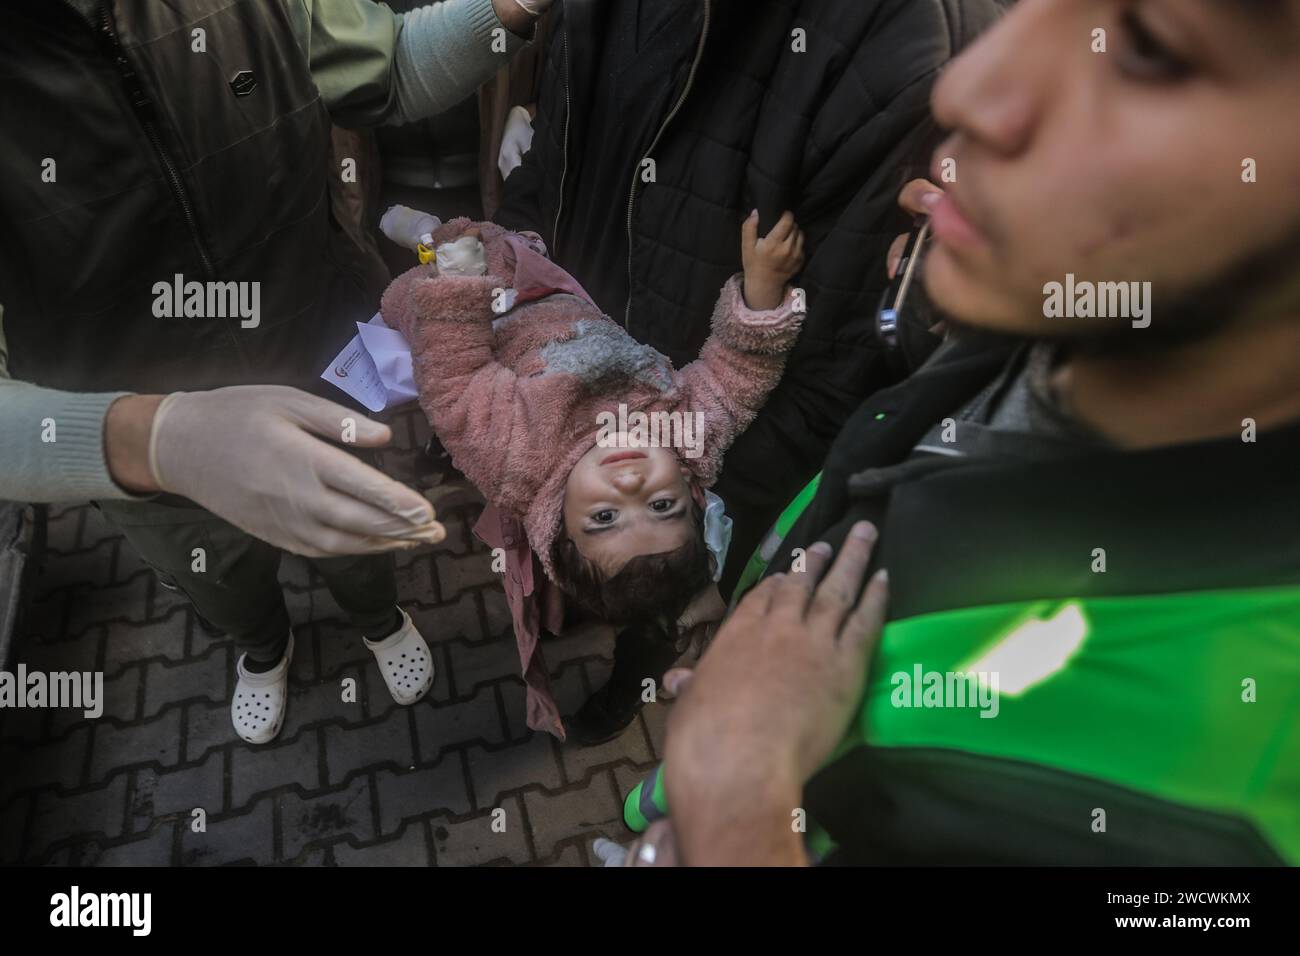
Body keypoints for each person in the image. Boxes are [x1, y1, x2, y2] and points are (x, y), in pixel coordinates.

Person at [647, 0, 1300, 865]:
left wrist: (734, 803)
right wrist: (945, 312)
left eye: (1147, 46)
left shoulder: (1222, 812)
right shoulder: (1118, 318)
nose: (967, 87)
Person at [0, 0, 554, 744]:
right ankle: (264, 649)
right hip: (134, 444)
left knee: (362, 529)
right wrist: (158, 440)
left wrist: (509, 9)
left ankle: (378, 619)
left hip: (320, 352)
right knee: (220, 575)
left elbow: (386, 67)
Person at [492, 0, 1011, 739]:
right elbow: (557, 152)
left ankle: (637, 662)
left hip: (718, 474)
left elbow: (830, 380)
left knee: (654, 576)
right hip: (582, 381)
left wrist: (696, 528)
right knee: (606, 557)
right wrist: (509, 244)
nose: (635, 486)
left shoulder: (899, 40)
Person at [378, 209, 806, 738]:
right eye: (661, 506)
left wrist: (460, 288)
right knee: (504, 237)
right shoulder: (685, 438)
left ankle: (422, 232)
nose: (632, 485)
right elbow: (737, 373)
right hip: (550, 285)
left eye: (605, 516)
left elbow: (454, 384)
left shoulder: (518, 456)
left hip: (469, 312)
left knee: (445, 247)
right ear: (695, 496)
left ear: (561, 526)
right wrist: (761, 294)